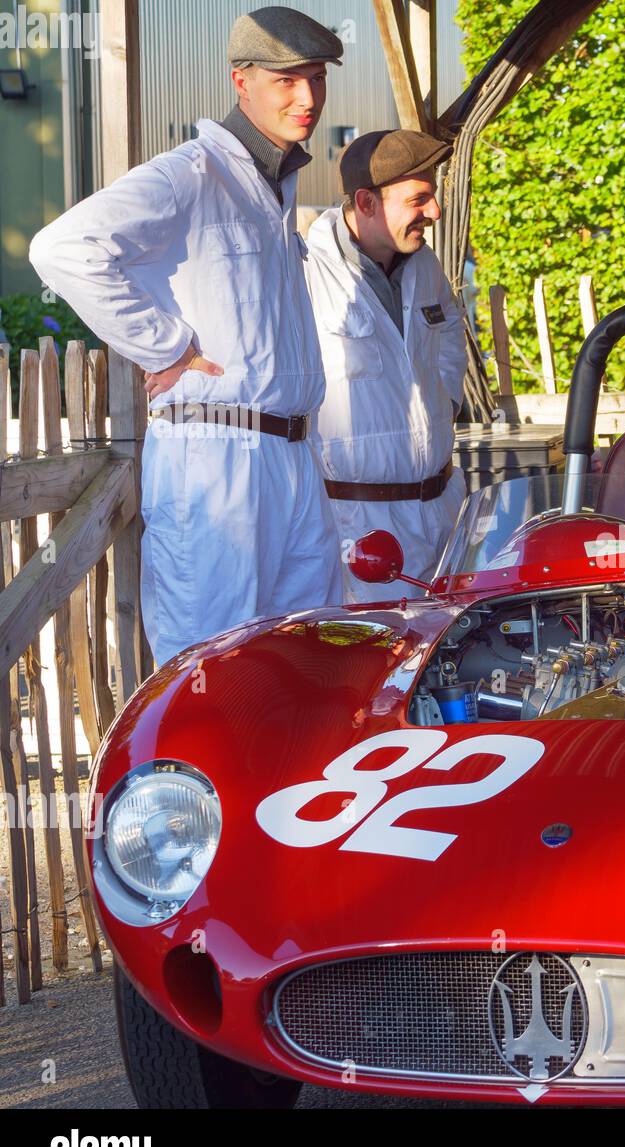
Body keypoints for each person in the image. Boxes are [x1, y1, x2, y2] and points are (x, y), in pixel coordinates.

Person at [28, 6, 345, 665]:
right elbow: (62, 248)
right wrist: (166, 347)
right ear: (241, 81)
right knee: (213, 668)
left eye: (316, 78)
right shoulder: (189, 174)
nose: (308, 97)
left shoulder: (275, 188)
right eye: (287, 80)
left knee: (307, 661)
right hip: (215, 458)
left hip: (293, 457)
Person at [304, 129, 468, 602]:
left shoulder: (425, 265)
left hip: (442, 512)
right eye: (419, 199)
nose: (435, 212)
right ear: (366, 202)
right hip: (359, 529)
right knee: (370, 646)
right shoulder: (306, 273)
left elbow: (450, 331)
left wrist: (446, 402)